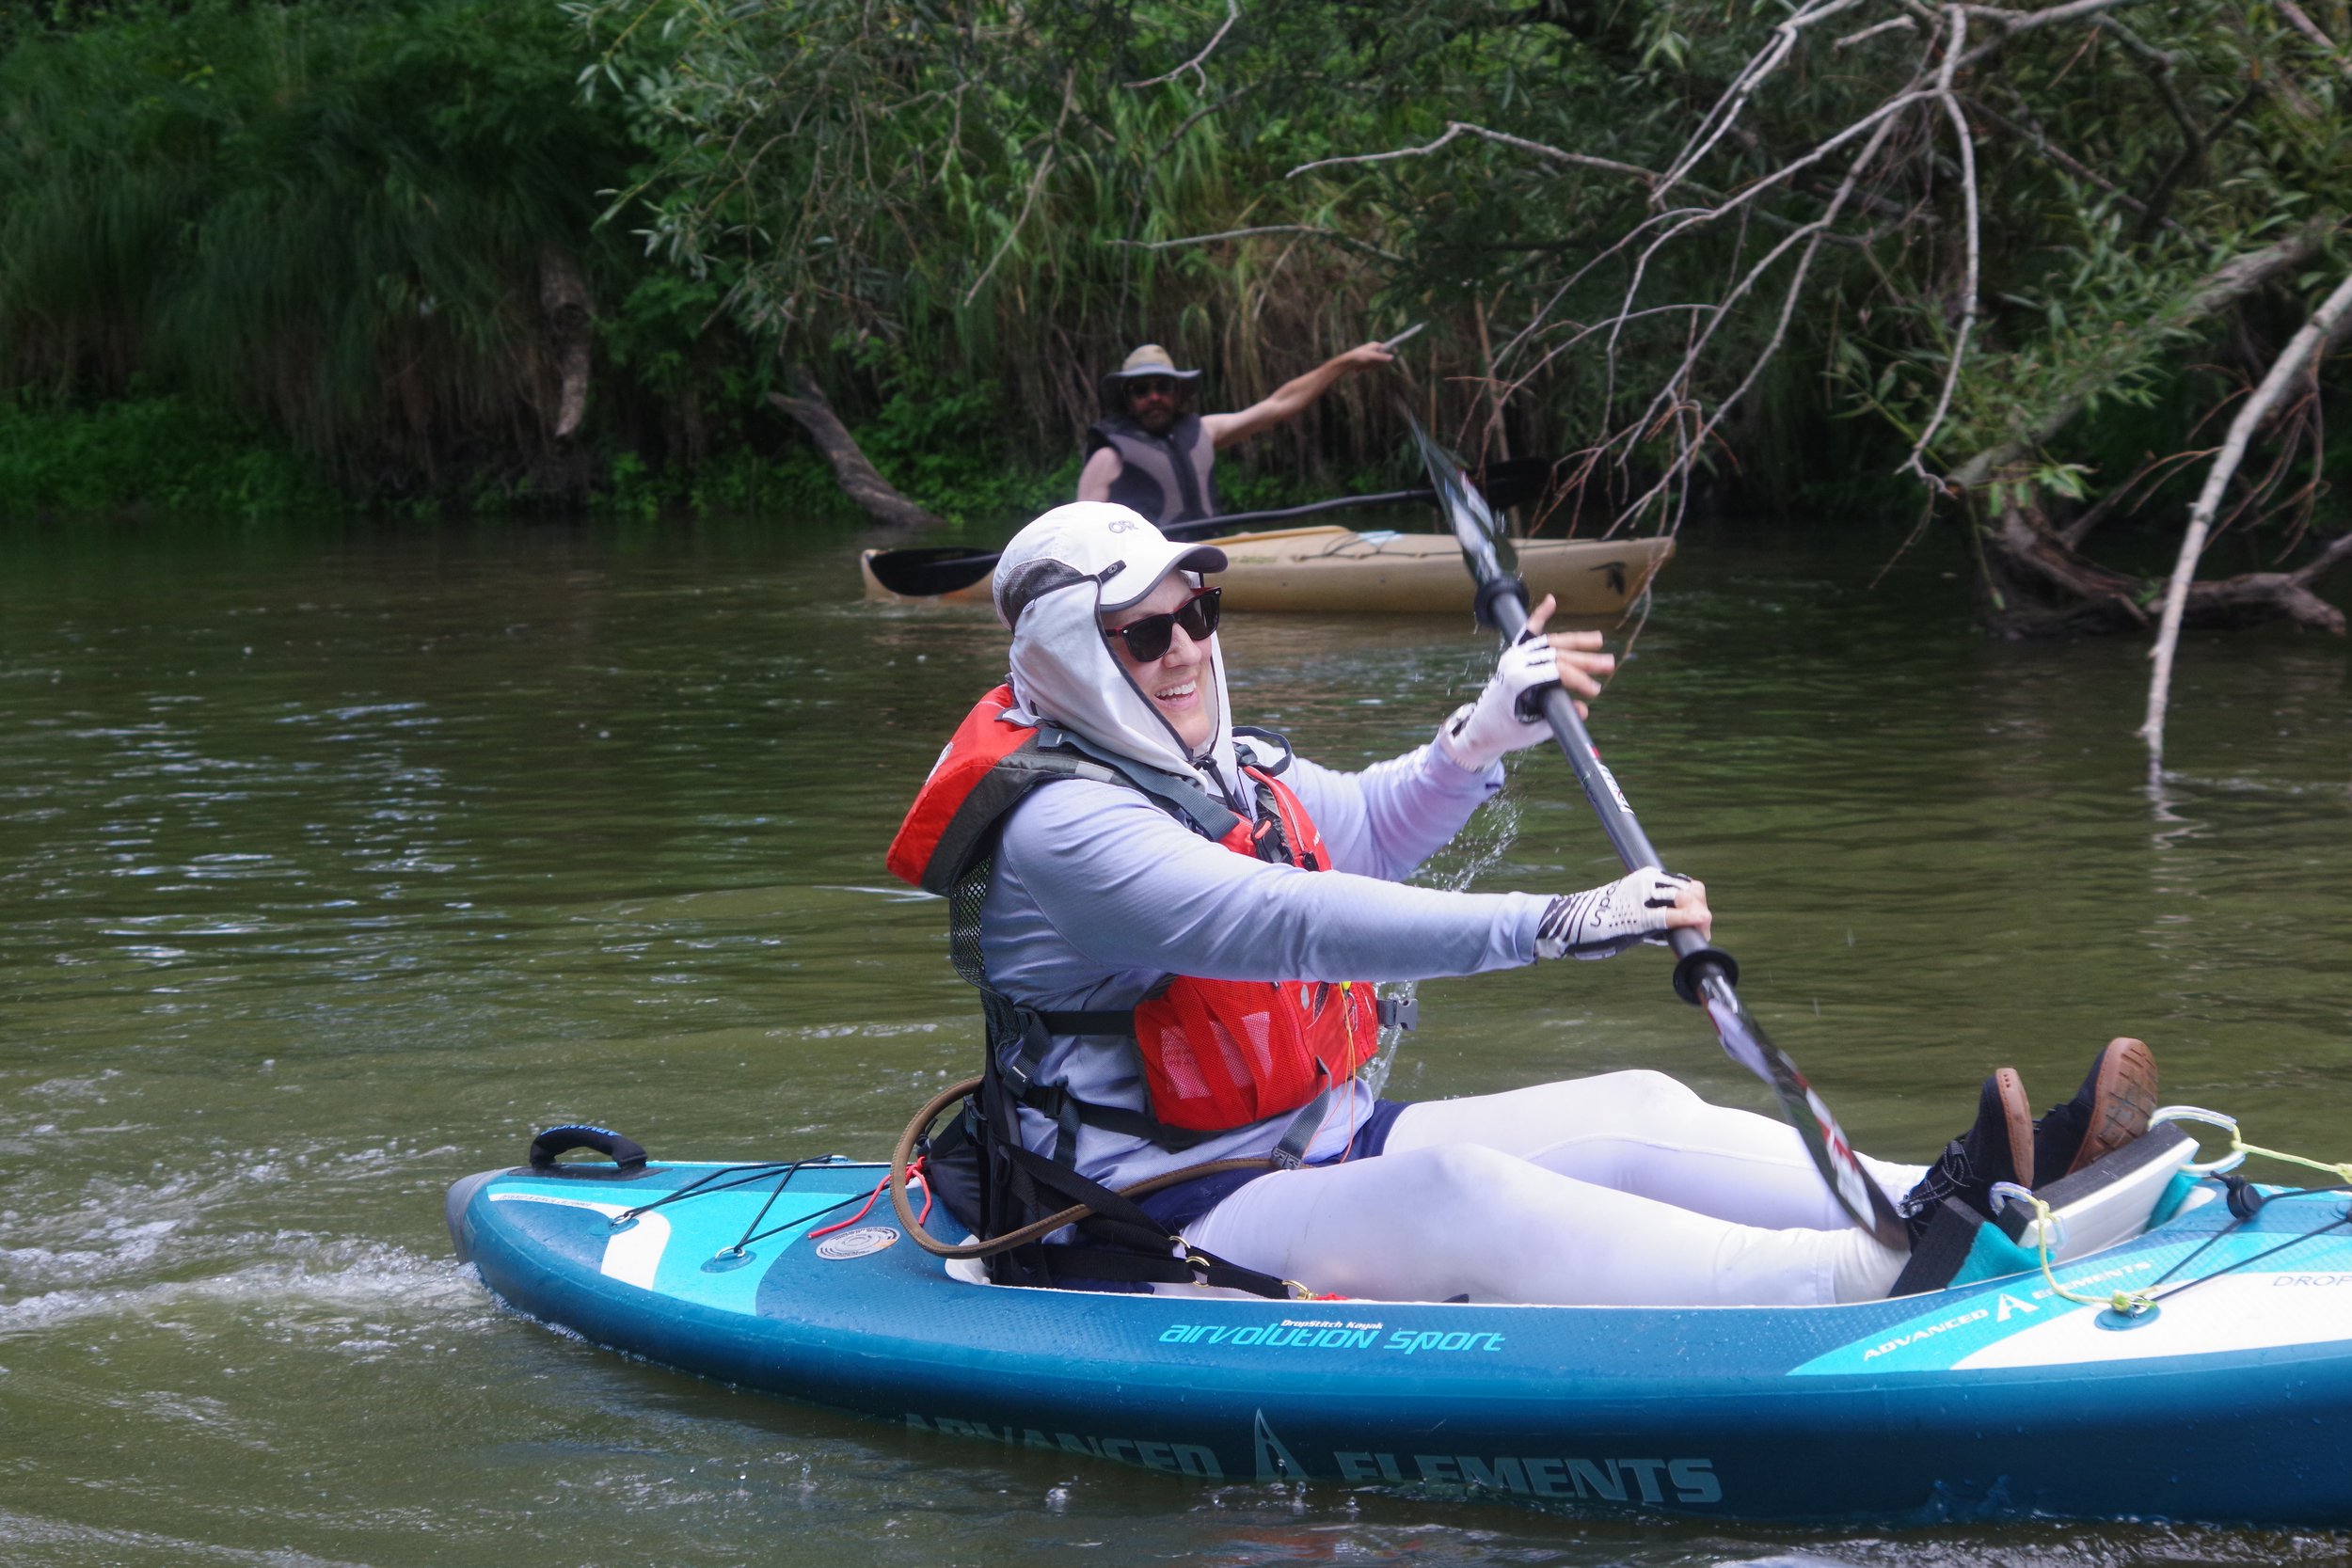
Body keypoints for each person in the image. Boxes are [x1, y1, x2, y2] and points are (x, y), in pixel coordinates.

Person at [886, 502, 2159, 1306]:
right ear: (1066, 659)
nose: (1185, 649)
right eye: (1143, 634)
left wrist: (1479, 730)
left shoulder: (1217, 761)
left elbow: (1368, 827)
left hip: (1311, 1141)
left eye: (1197, 613)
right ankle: (1864, 1276)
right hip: (1159, 1215)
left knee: (1637, 1103)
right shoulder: (1066, 828)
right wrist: (1563, 918)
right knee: (1462, 1190)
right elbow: (1291, 919)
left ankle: (1939, 1188)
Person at [1075, 341, 1397, 527]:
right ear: (1128, 400)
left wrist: (1344, 362)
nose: (1154, 396)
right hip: (1150, 564)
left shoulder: (1205, 431)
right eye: (1141, 389)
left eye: (1163, 386)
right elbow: (1084, 531)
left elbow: (1279, 405)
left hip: (1208, 555)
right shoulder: (1108, 456)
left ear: (1177, 393)